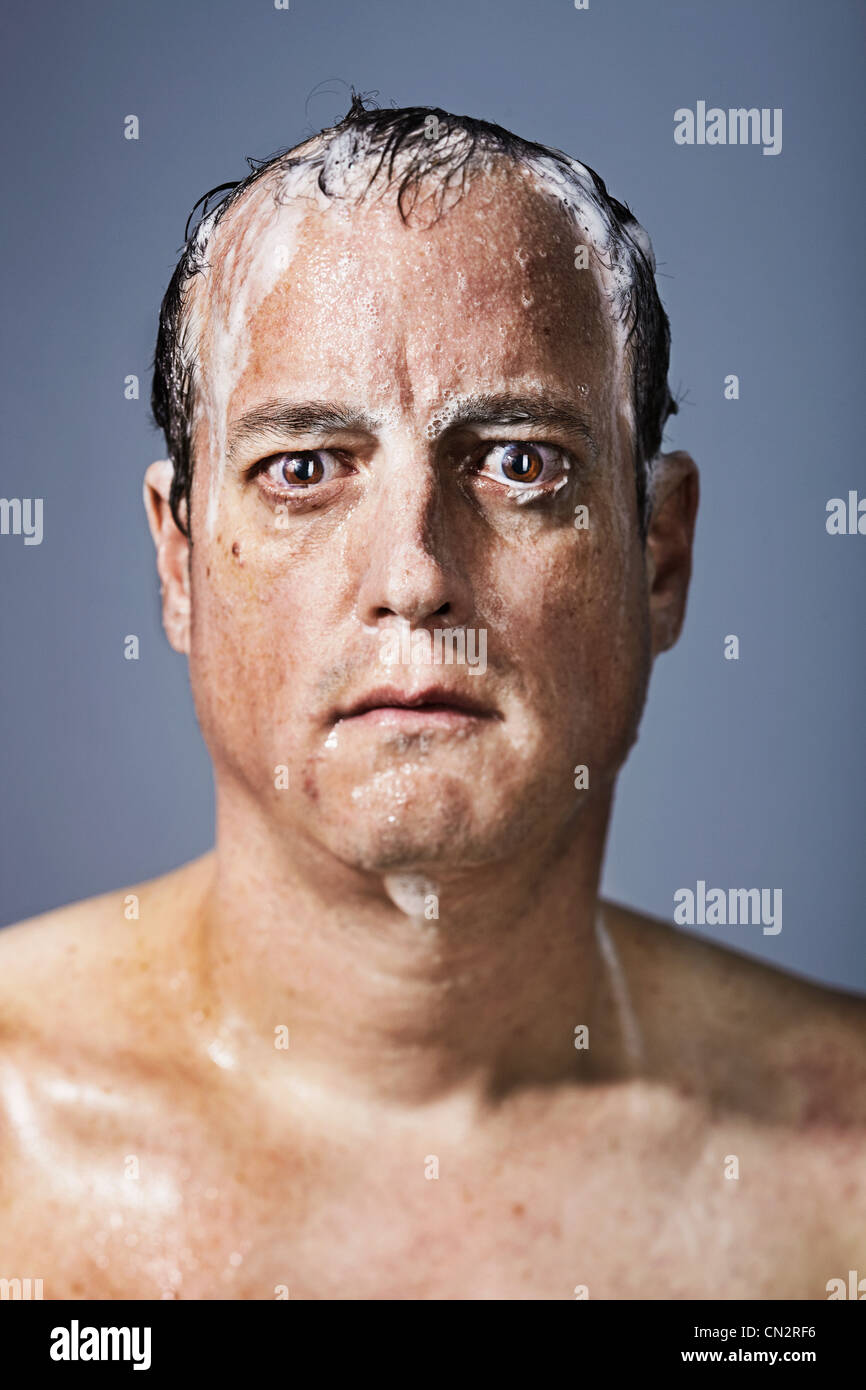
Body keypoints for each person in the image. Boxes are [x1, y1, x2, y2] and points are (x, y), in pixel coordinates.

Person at [1, 99, 863, 1301]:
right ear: (179, 563)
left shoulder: (842, 1191)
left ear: (655, 557)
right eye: (302, 468)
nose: (411, 575)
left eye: (518, 461)